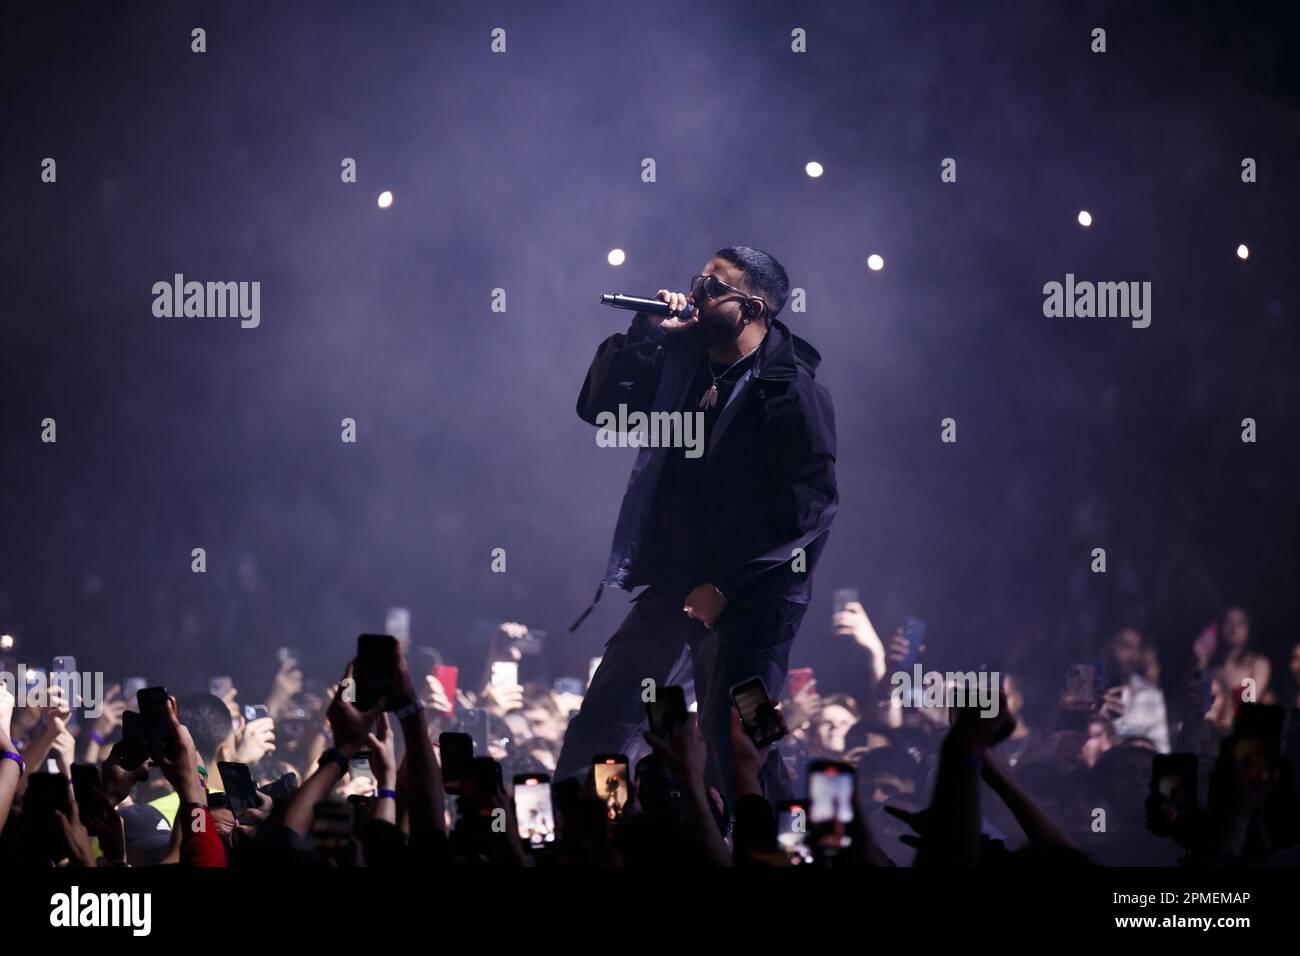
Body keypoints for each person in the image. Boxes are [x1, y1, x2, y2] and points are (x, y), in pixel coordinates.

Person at [556, 246, 838, 806]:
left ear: (752, 308)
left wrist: (727, 586)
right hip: (675, 583)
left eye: (713, 286)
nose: (695, 291)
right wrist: (647, 333)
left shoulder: (790, 391)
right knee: (604, 722)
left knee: (745, 735)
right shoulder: (681, 357)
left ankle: (773, 839)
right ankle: (592, 828)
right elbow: (600, 406)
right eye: (699, 279)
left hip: (758, 599)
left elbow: (809, 508)